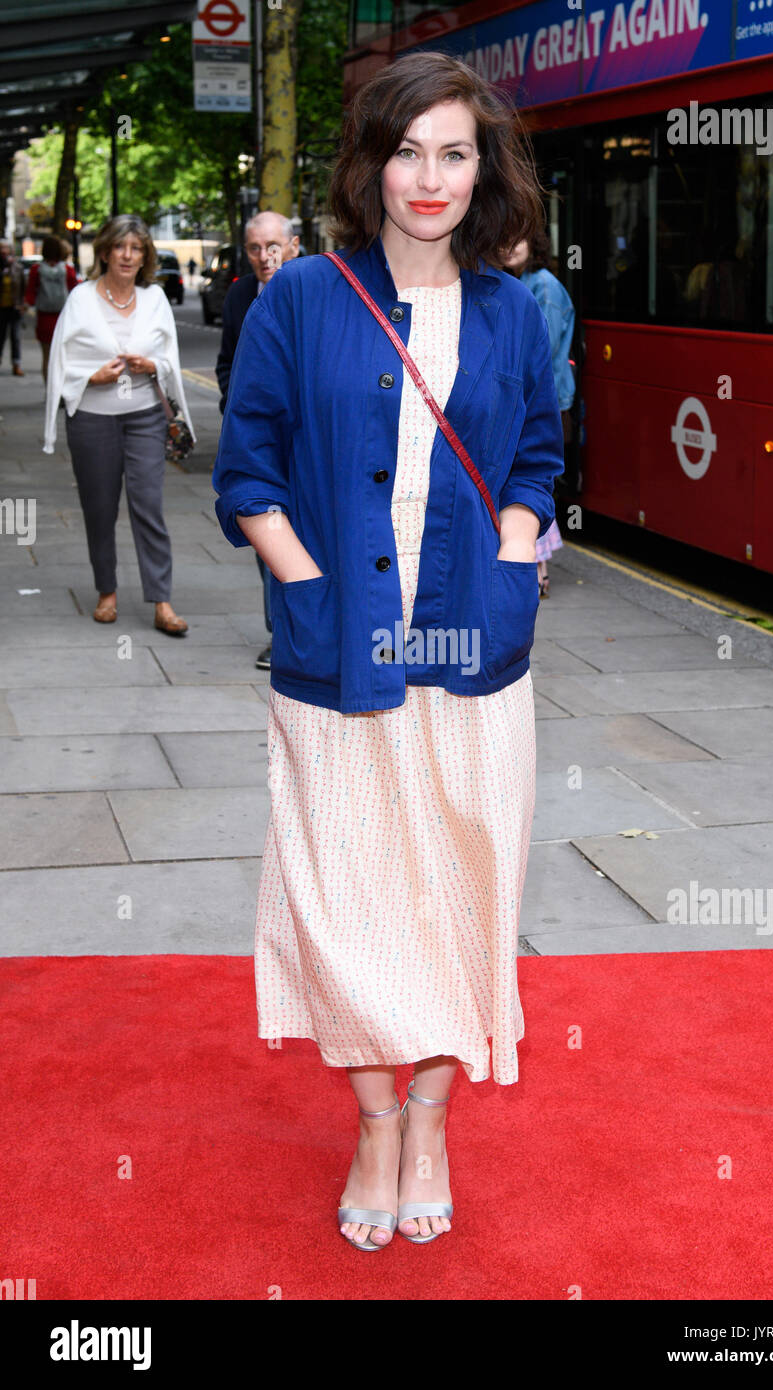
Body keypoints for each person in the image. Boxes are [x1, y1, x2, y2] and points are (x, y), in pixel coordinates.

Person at [213, 50, 563, 1252]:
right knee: (344, 895)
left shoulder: (515, 310)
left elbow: (536, 455)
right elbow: (247, 465)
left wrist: (517, 546)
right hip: (340, 647)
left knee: (462, 890)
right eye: (408, 149)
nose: (431, 176)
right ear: (372, 164)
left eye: (455, 152)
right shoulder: (300, 297)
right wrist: (305, 581)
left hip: (476, 643)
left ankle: (430, 1115)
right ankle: (374, 1123)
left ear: (485, 169)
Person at [43, 213, 195, 633]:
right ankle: (106, 591)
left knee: (148, 507)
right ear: (106, 251)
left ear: (143, 255)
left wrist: (152, 365)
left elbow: (170, 361)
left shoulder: (155, 300)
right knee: (99, 509)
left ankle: (161, 601)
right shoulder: (80, 298)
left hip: (145, 416)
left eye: (137, 248)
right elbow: (60, 363)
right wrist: (92, 376)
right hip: (92, 418)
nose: (128, 255)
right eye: (120, 247)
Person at [215, 211, 300, 670]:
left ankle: (307, 625)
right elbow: (227, 361)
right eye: (254, 248)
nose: (264, 256)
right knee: (263, 525)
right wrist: (236, 409)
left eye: (272, 246)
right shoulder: (239, 295)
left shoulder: (313, 291)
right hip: (258, 441)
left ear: (293, 245)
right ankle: (280, 635)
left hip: (305, 438)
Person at [503, 224, 575, 597]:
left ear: (535, 245)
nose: (510, 245)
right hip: (530, 399)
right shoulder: (518, 282)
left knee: (534, 482)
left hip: (543, 401)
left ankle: (537, 569)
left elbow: (538, 356)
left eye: (517, 238)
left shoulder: (542, 286)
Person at [23, 234, 79, 383]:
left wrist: (25, 306)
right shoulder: (68, 270)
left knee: (47, 356)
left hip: (44, 317)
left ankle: (50, 391)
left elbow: (31, 293)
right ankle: (62, 389)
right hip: (64, 316)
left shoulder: (36, 269)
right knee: (64, 356)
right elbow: (75, 291)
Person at [0, 239, 25, 376]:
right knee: (1, 336)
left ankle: (16, 364)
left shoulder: (17, 267)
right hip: (1, 307)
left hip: (14, 307)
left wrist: (23, 305)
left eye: (6, 248)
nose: (3, 251)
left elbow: (23, 288)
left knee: (15, 336)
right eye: (1, 248)